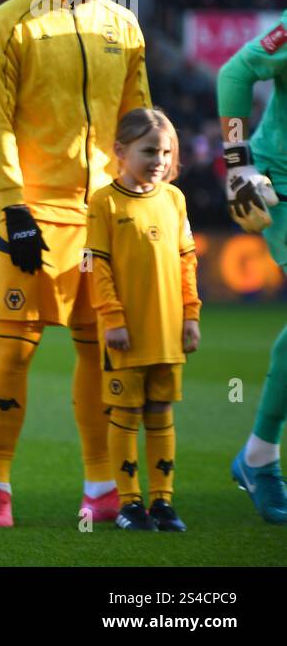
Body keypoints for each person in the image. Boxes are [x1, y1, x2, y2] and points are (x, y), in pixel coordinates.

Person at [0, 0, 151, 527]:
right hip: (32, 213)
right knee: (15, 351)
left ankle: (101, 488)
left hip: (102, 215)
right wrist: (11, 204)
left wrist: (142, 200)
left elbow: (140, 123)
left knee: (101, 353)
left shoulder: (123, 28)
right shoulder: (10, 24)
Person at [86, 108, 199, 531]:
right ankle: (130, 504)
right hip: (124, 334)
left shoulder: (174, 199)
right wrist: (112, 318)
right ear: (121, 151)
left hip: (168, 330)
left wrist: (191, 315)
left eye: (167, 152)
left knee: (161, 410)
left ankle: (164, 502)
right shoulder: (105, 202)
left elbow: (187, 262)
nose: (160, 160)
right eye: (149, 150)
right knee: (125, 412)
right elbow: (97, 266)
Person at [219, 15, 287, 523]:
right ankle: (260, 457)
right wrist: (239, 162)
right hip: (281, 182)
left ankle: (257, 457)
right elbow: (235, 74)